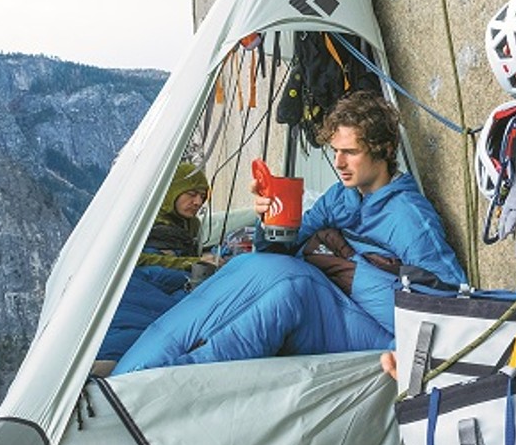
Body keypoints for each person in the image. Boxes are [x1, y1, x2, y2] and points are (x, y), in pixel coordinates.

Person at [112, 91, 467, 373]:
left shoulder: (408, 218)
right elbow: (286, 245)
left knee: (285, 291)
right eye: (335, 152)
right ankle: (142, 366)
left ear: (384, 150)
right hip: (327, 293)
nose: (339, 163)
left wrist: (348, 268)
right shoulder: (344, 196)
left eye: (350, 152)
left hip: (375, 329)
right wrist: (270, 221)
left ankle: (158, 382)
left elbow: (450, 303)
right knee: (249, 267)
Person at [93, 162, 217, 377]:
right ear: (172, 191)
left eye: (203, 196)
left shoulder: (189, 225)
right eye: (191, 194)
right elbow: (134, 261)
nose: (197, 202)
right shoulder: (141, 221)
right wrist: (191, 264)